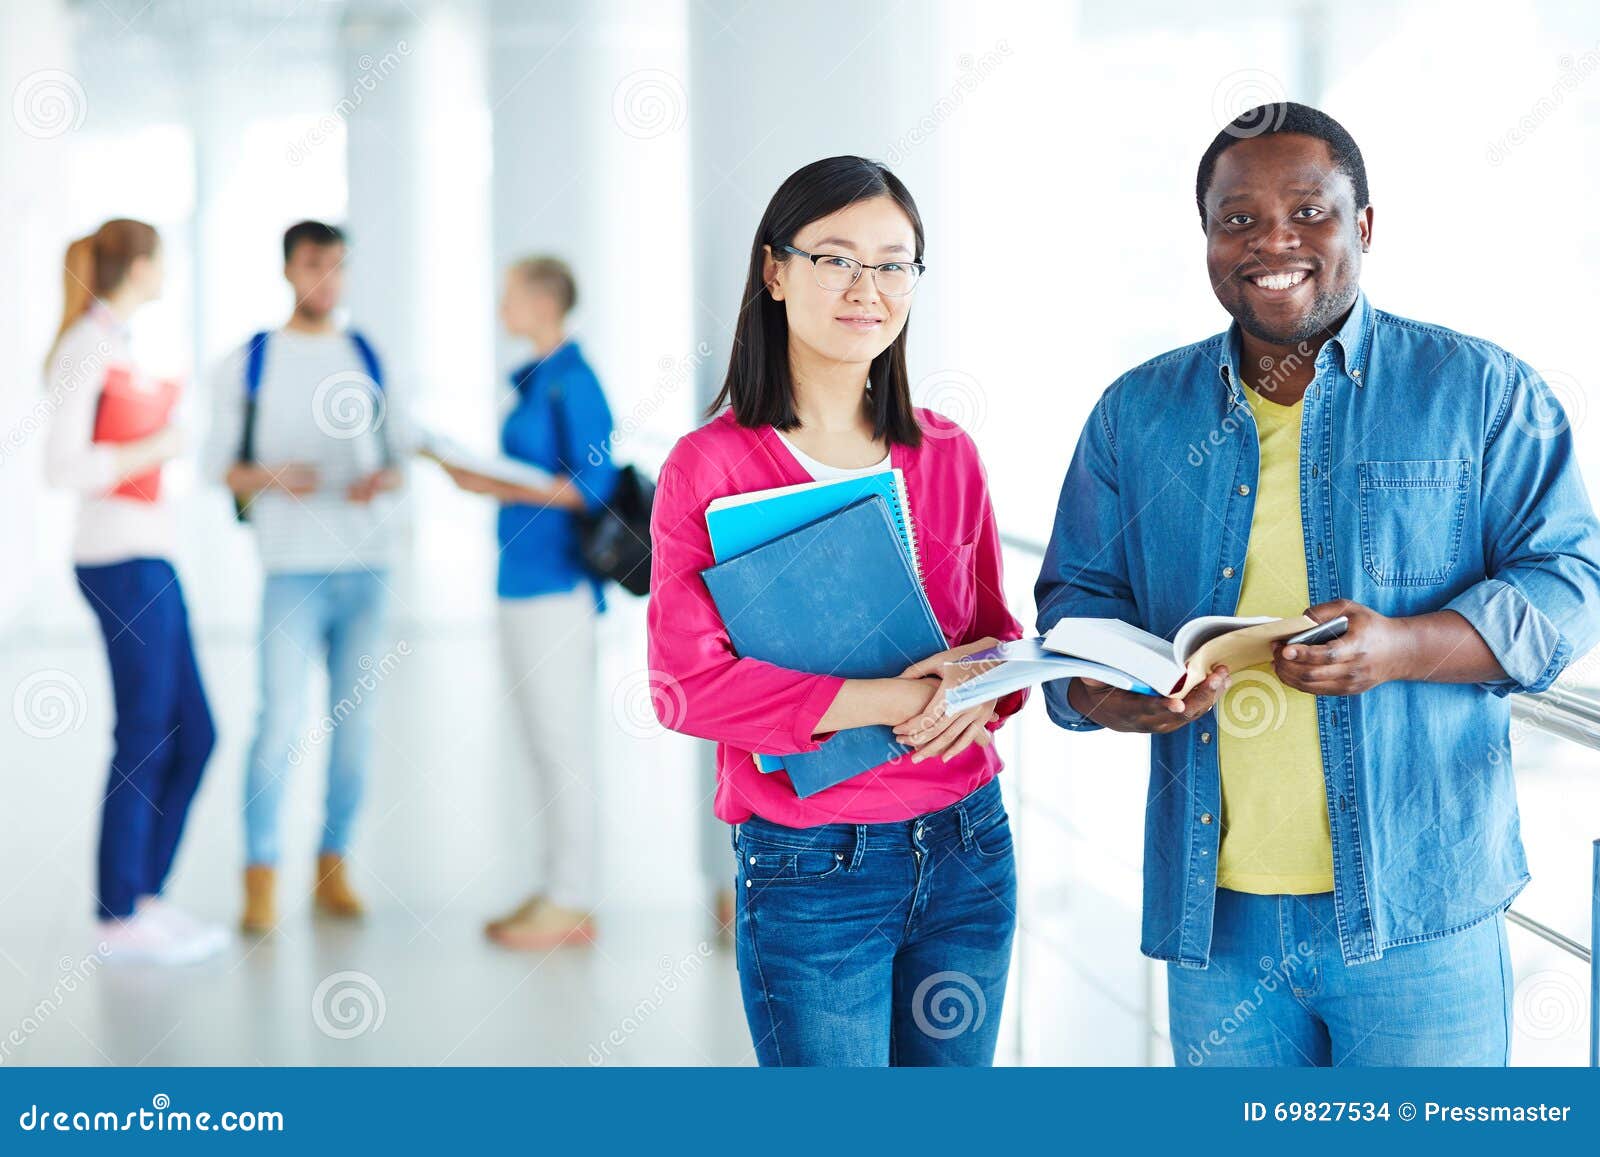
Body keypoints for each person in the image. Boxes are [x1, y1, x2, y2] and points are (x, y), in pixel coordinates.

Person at [1035, 102, 1600, 1067]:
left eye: (1309, 211)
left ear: (1365, 226)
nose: (1273, 243)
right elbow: (1075, 610)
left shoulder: (1480, 390)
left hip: (1422, 912)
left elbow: (1571, 583)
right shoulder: (1135, 411)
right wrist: (1112, 697)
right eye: (1237, 219)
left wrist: (1405, 646)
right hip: (1214, 922)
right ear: (1208, 239)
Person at [646, 156, 1026, 1067]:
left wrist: (984, 689)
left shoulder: (945, 452)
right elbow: (685, 687)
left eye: (895, 264)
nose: (869, 288)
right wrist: (902, 700)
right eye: (837, 259)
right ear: (774, 272)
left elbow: (994, 639)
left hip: (970, 842)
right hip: (814, 868)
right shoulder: (711, 468)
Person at [207, 220, 403, 934]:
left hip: (366, 563)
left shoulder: (367, 353)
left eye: (339, 266)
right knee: (277, 723)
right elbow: (218, 466)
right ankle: (260, 873)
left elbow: (400, 455)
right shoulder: (248, 361)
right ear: (289, 269)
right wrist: (271, 477)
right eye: (316, 264)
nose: (328, 278)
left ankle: (334, 864)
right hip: (289, 566)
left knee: (356, 727)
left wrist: (384, 477)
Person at [44, 219, 225, 964]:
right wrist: (161, 444)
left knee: (196, 730)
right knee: (145, 732)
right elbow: (61, 469)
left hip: (152, 552)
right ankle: (118, 914)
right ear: (141, 264)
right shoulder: (86, 346)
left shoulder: (118, 344)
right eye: (162, 258)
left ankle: (142, 895)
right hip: (119, 559)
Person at [441, 256, 619, 951]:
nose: (499, 306)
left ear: (544, 303)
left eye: (509, 295)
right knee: (541, 750)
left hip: (557, 586)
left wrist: (493, 486)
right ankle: (555, 888)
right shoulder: (538, 377)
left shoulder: (575, 380)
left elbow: (592, 487)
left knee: (562, 747)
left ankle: (572, 898)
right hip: (520, 582)